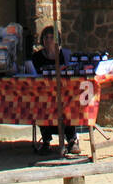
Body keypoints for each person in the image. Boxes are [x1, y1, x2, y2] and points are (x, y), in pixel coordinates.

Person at [31, 25, 80, 156]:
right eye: (46, 38)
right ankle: (46, 141)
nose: (48, 40)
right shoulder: (37, 57)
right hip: (45, 94)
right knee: (40, 105)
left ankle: (71, 140)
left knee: (69, 106)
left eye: (52, 37)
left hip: (64, 93)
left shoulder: (65, 55)